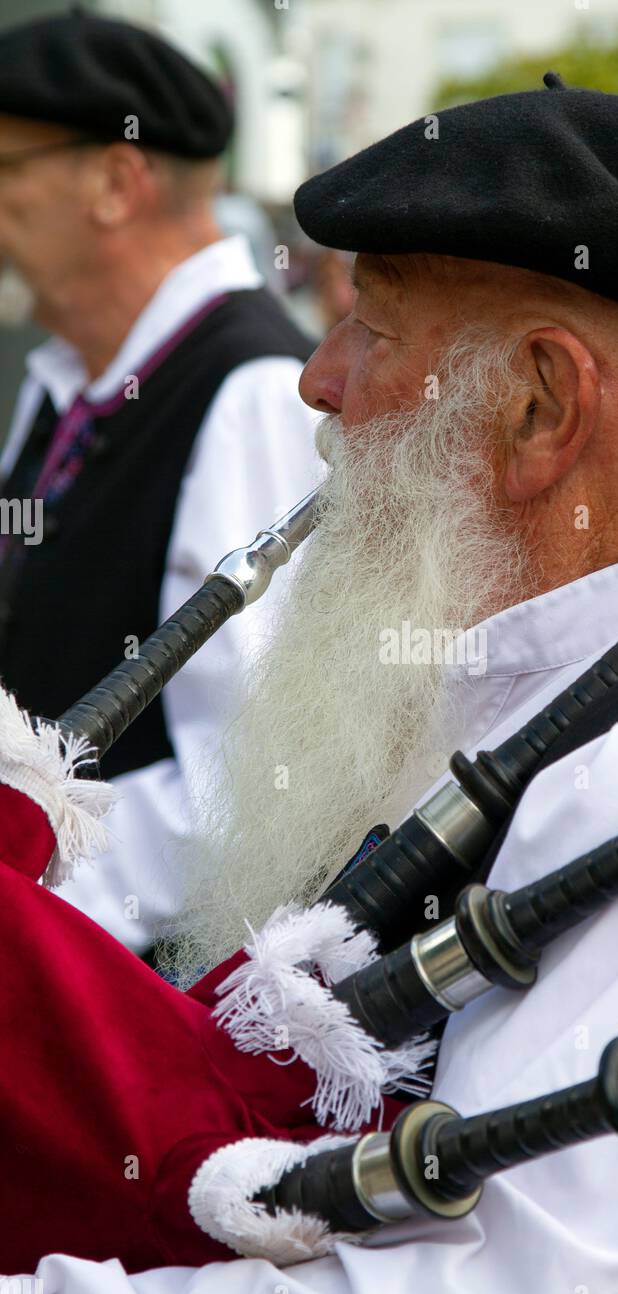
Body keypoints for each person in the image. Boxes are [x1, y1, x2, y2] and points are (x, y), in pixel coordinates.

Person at [4, 78, 618, 1294]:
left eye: (375, 325)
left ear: (539, 402)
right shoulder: (557, 675)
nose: (316, 377)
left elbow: (512, 1285)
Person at [0, 11, 322, 955]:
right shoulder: (68, 378)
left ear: (115, 181)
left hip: (117, 1003)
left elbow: (247, 789)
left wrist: (27, 878)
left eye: (7, 170)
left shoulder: (255, 392)